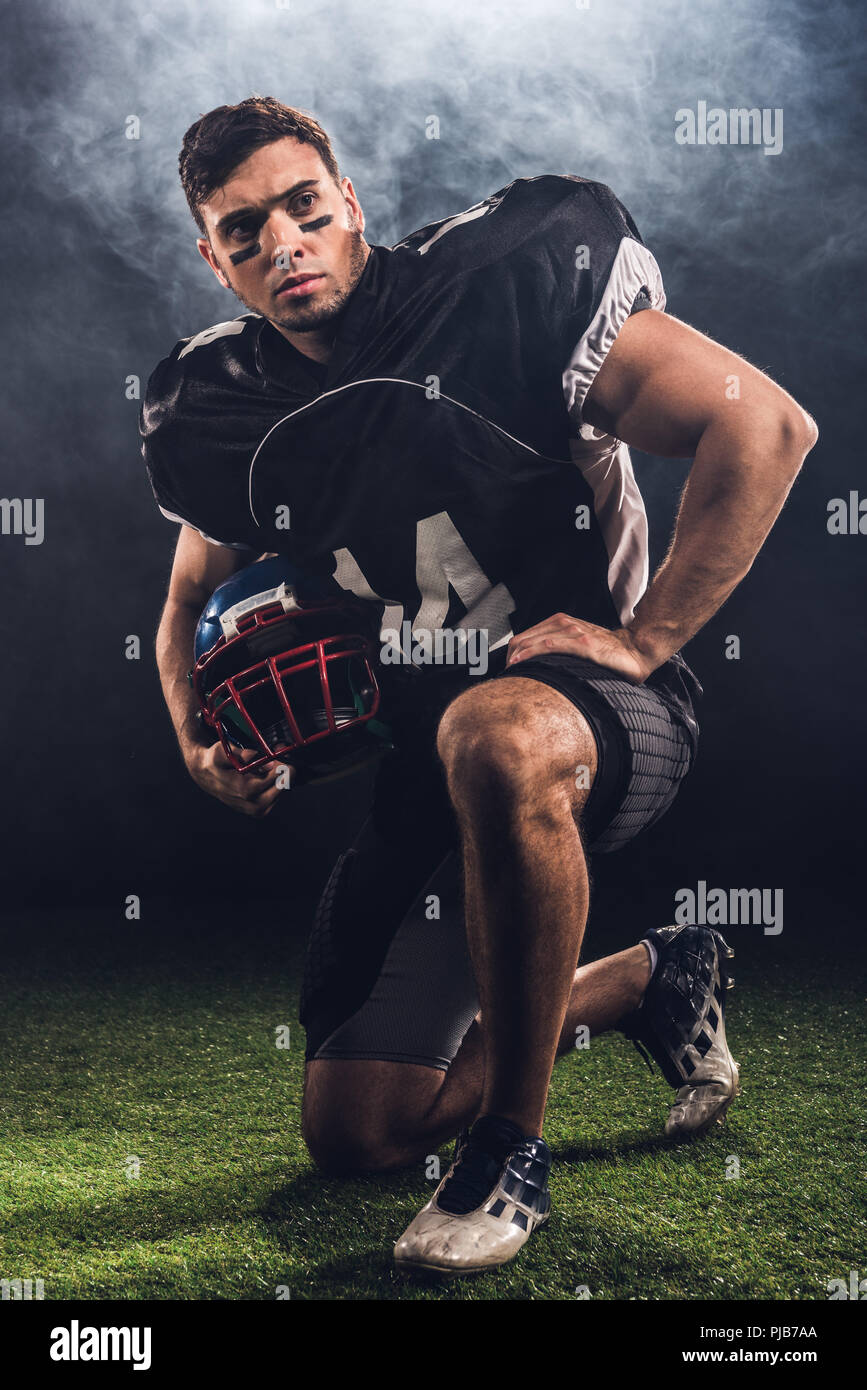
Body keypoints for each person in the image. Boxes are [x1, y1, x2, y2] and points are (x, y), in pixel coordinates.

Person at [141, 96, 818, 1279]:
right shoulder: (218, 407)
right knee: (357, 1128)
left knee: (493, 730)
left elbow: (764, 425)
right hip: (427, 773)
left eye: (304, 207)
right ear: (215, 258)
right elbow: (187, 602)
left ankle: (513, 1149)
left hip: (604, 717)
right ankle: (646, 979)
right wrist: (200, 742)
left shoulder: (500, 281)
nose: (282, 243)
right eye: (243, 231)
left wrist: (650, 638)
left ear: (349, 204)